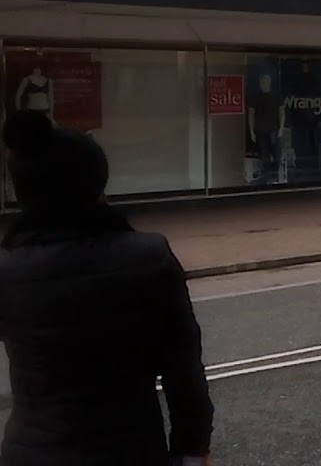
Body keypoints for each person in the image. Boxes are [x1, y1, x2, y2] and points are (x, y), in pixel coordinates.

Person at [0, 110, 214, 466]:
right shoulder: (147, 257)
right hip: (129, 451)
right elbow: (183, 371)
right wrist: (192, 450)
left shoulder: (8, 271)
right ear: (96, 183)